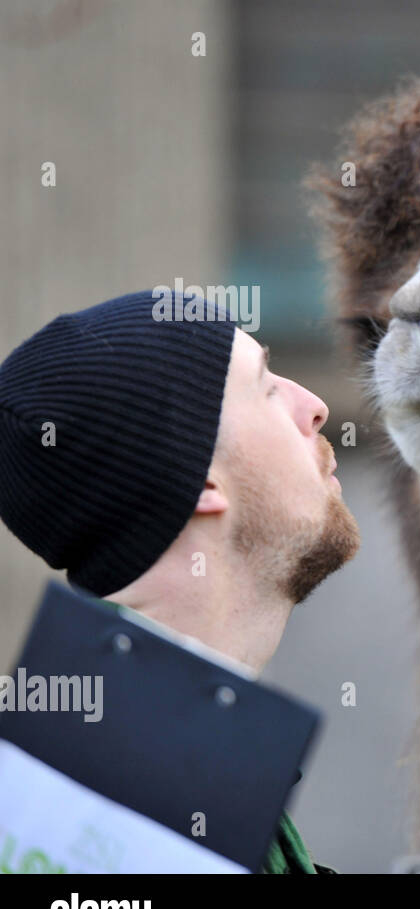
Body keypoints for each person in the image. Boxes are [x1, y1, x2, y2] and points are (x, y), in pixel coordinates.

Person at [0, 290, 361, 873]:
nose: (314, 407)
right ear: (200, 482)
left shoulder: (118, 775)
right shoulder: (107, 826)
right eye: (268, 387)